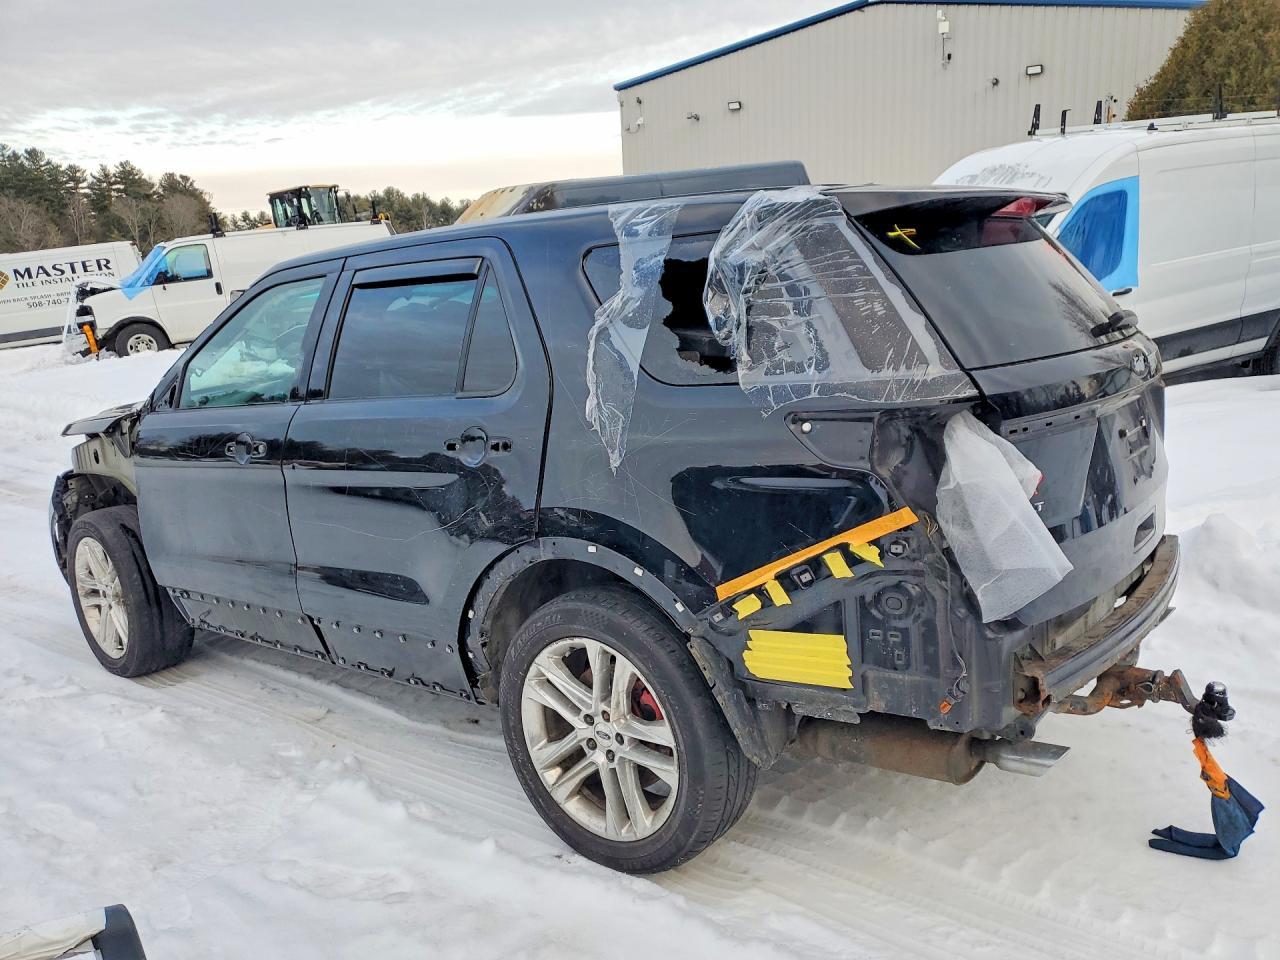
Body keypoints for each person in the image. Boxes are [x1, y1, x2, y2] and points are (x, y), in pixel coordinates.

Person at [1149, 683, 1263, 860]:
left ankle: (1224, 841)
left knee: (1219, 786)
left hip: (1220, 786)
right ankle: (1226, 843)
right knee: (1222, 795)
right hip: (1220, 789)